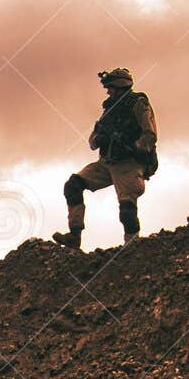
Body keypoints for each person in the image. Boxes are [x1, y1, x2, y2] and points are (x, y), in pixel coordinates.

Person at [52, 67, 159, 250]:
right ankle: (74, 237)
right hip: (106, 162)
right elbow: (93, 139)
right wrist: (100, 138)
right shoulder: (108, 109)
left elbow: (150, 134)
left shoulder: (138, 103)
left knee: (127, 208)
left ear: (120, 86)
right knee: (73, 185)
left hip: (127, 164)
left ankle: (132, 246)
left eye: (110, 87)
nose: (108, 91)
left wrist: (133, 147)